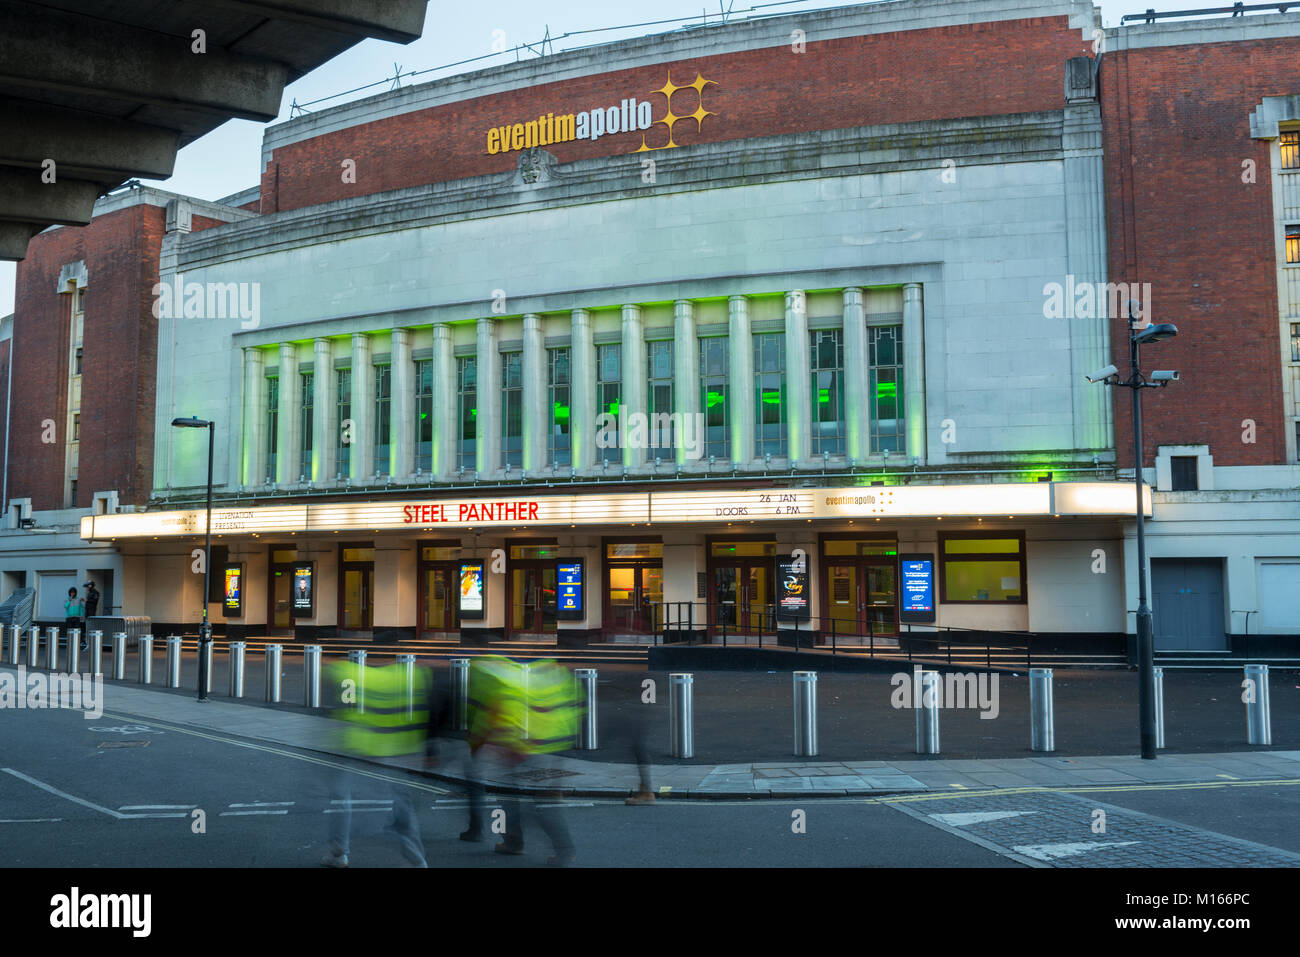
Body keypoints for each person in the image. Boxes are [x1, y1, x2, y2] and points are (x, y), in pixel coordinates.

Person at [320, 658, 433, 868]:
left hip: (356, 744)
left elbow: (343, 709)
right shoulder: (411, 676)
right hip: (396, 746)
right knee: (402, 805)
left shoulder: (348, 672)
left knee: (340, 797)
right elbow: (419, 710)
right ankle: (417, 860)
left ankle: (339, 853)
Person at [81, 582, 99, 651]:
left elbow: (95, 601)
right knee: (86, 627)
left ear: (90, 586)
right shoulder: (90, 593)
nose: (86, 588)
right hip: (88, 612)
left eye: (87, 587)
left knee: (91, 627)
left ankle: (91, 644)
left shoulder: (95, 593)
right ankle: (87, 643)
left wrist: (87, 600)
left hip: (91, 612)